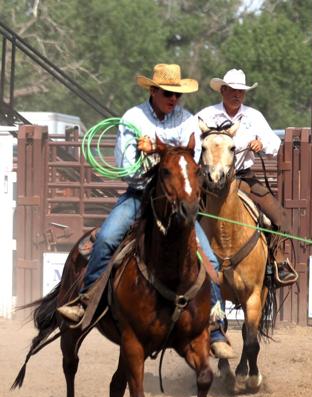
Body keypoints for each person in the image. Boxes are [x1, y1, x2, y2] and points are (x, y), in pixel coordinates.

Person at [56, 63, 235, 360]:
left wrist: (157, 150)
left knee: (210, 258)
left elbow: (189, 162)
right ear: (153, 91)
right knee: (107, 238)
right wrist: (145, 154)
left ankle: (215, 326)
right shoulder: (133, 119)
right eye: (167, 93)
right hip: (139, 197)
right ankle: (86, 301)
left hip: (175, 202)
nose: (173, 99)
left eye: (177, 94)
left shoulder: (187, 121)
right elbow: (127, 168)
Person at [196, 68, 298, 286]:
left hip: (243, 176)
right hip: (208, 178)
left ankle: (277, 262)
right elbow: (192, 143)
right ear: (223, 90)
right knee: (184, 211)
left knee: (278, 216)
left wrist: (261, 144)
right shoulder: (205, 115)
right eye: (233, 90)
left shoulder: (254, 116)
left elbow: (274, 143)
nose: (237, 95)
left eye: (241, 91)